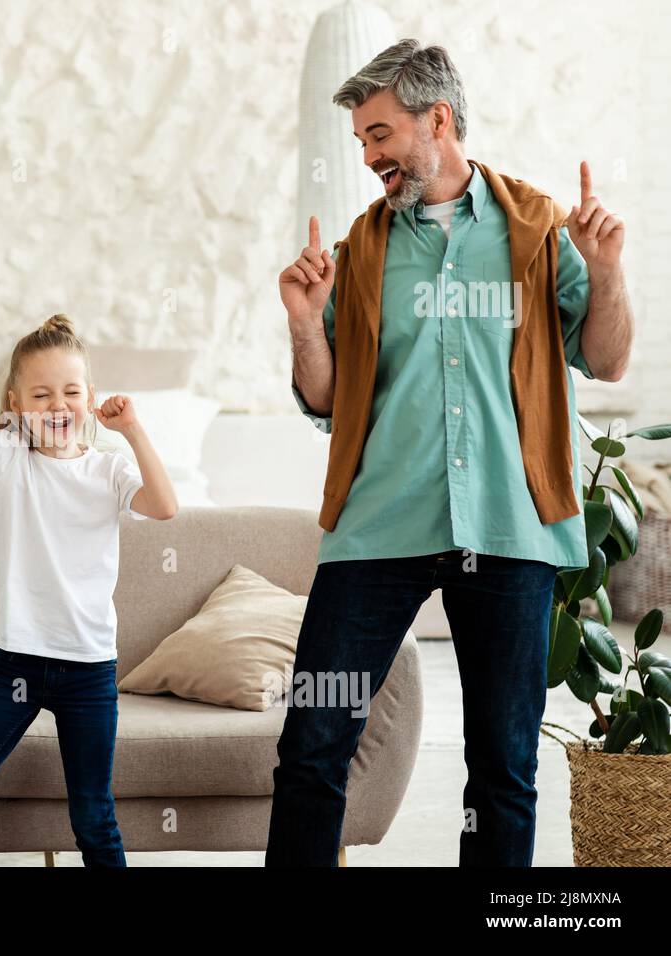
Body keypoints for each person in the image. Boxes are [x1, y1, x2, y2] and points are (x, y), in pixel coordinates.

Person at [270, 39, 633, 866]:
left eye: (380, 134)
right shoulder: (362, 252)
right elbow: (324, 400)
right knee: (312, 747)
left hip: (508, 527)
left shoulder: (538, 231)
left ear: (438, 119)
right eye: (362, 140)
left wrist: (607, 271)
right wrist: (303, 319)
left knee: (501, 768)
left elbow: (605, 360)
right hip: (379, 526)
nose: (369, 157)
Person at [0, 315, 178, 866]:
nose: (57, 405)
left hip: (88, 671)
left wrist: (133, 430)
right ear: (15, 403)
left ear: (90, 397)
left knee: (92, 815)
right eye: (40, 394)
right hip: (16, 666)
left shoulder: (108, 471)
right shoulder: (6, 457)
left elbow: (165, 506)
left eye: (70, 391)